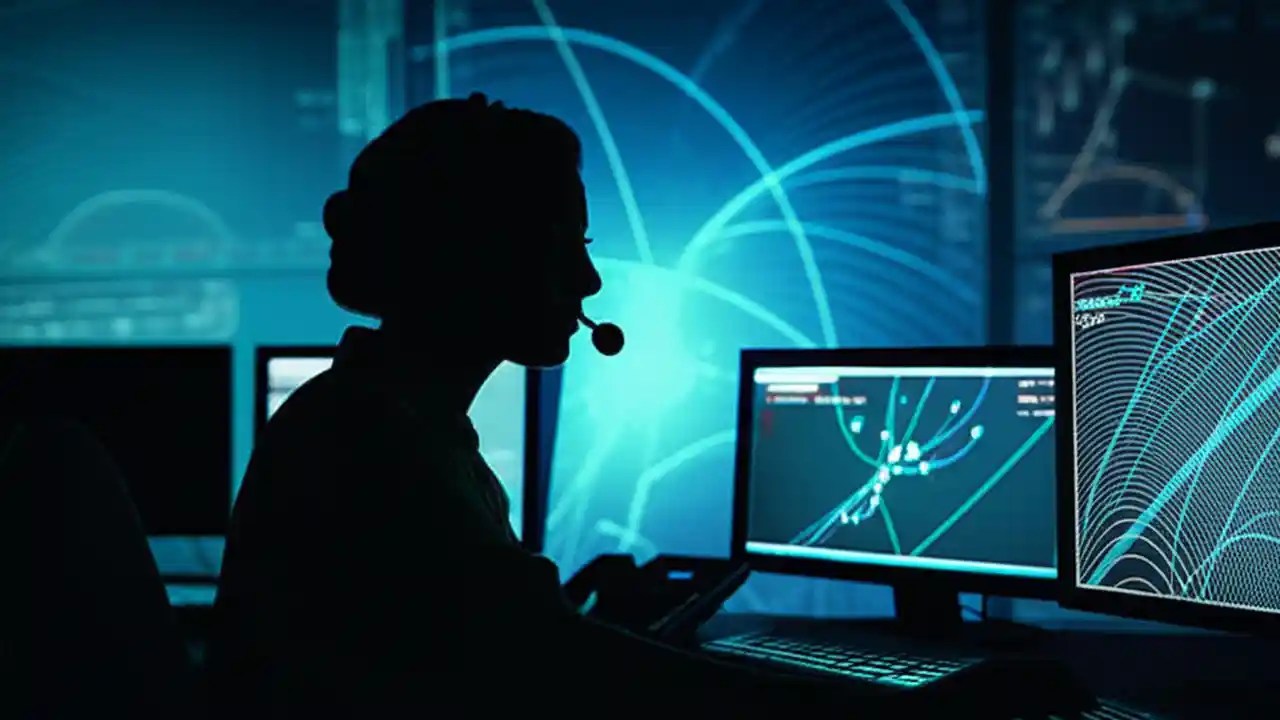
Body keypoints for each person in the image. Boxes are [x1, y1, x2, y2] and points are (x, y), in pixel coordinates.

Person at [208, 93, 913, 716]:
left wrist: (573, 601)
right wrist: (851, 703)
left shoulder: (382, 414)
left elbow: (463, 636)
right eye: (564, 246)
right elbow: (558, 667)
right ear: (476, 256)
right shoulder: (376, 445)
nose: (588, 277)